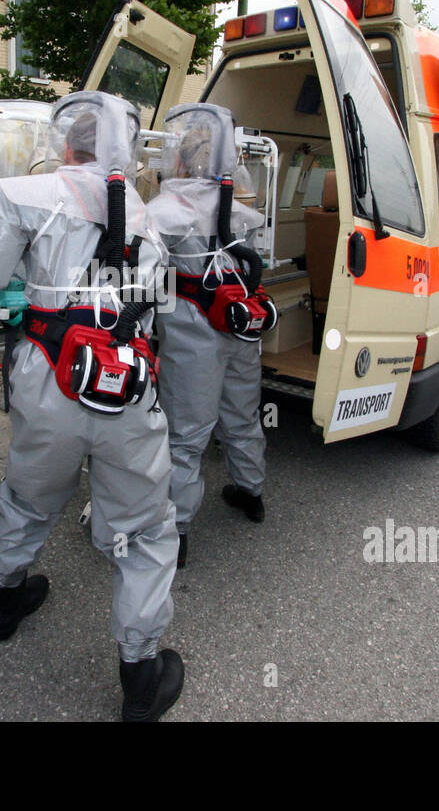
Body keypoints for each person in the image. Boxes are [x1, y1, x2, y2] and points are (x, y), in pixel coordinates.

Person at [0, 91, 184, 721]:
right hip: (126, 387)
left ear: (64, 142)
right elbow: (163, 310)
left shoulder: (26, 197)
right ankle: (138, 677)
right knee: (145, 530)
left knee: (28, 494)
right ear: (123, 148)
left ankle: (7, 599)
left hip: (47, 383)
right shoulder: (152, 219)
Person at [146, 104, 271, 568]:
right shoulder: (239, 212)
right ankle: (250, 490)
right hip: (242, 327)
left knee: (187, 433)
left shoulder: (164, 212)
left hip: (193, 334)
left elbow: (142, 276)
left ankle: (176, 532)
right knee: (241, 414)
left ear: (178, 158)